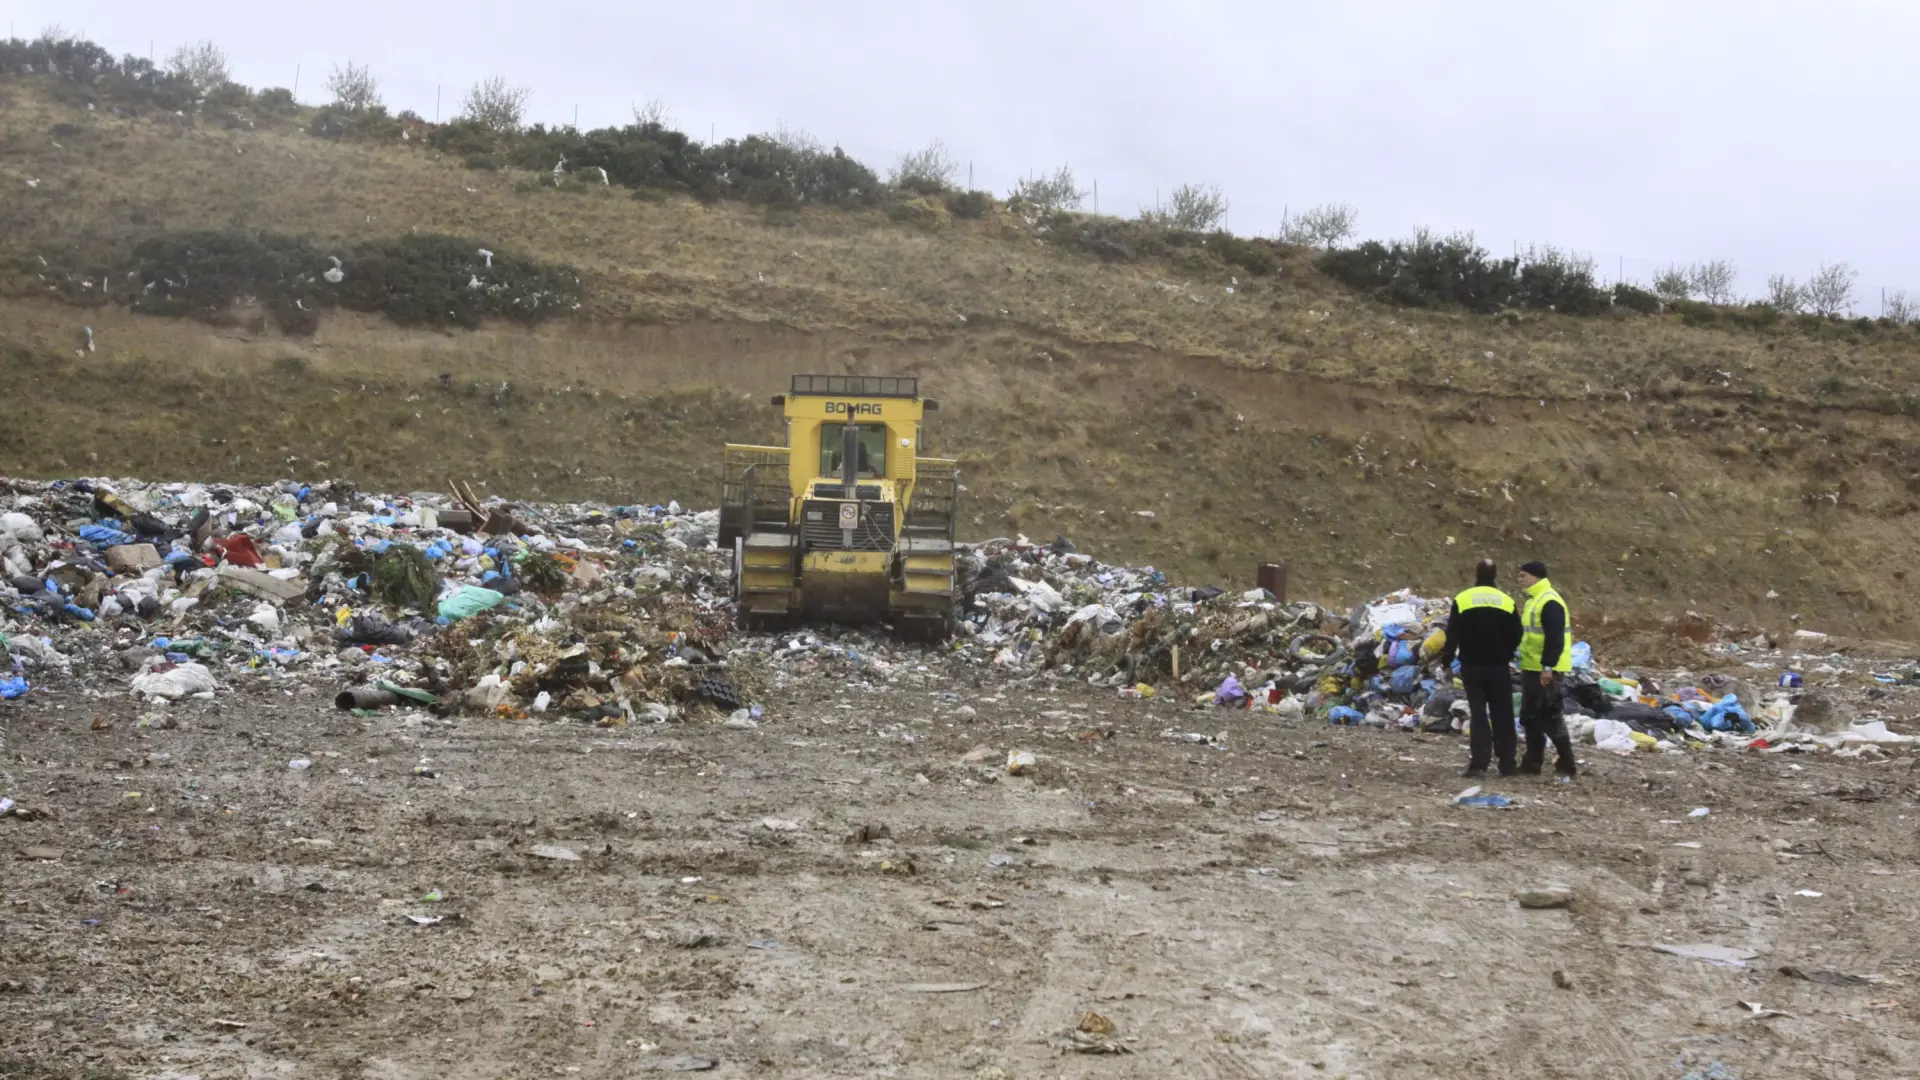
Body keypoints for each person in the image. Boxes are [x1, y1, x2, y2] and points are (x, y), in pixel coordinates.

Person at [1438, 558, 1523, 777]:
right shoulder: (1506, 601)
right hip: (1499, 666)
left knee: (1478, 714)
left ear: (1476, 574)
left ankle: (1478, 764)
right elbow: (1517, 633)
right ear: (1495, 576)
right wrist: (1507, 651)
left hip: (1472, 665)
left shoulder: (1463, 599)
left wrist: (1447, 661)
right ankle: (1507, 764)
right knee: (1503, 713)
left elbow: (1452, 634)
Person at [1515, 559, 1577, 777]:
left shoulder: (1549, 601)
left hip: (1546, 670)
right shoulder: (1535, 600)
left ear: (1536, 577)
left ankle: (1567, 763)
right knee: (1530, 716)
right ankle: (1532, 763)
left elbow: (1555, 638)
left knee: (1549, 716)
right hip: (1532, 667)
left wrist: (1548, 667)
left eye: (1523, 576)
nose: (1519, 580)